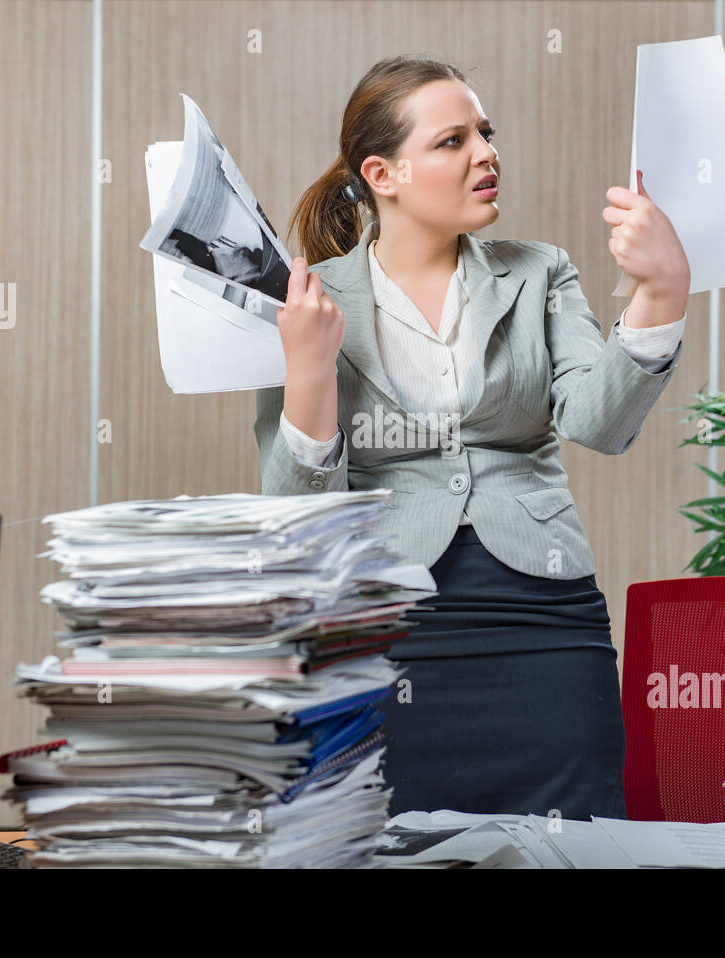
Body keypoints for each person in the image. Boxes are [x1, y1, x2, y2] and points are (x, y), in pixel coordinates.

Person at [254, 54, 689, 821]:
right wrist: (308, 372)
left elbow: (599, 420)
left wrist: (660, 293)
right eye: (453, 140)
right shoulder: (309, 301)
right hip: (383, 624)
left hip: (544, 619)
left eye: (484, 134)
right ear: (382, 174)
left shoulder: (540, 272)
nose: (487, 154)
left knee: (575, 845)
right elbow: (298, 514)